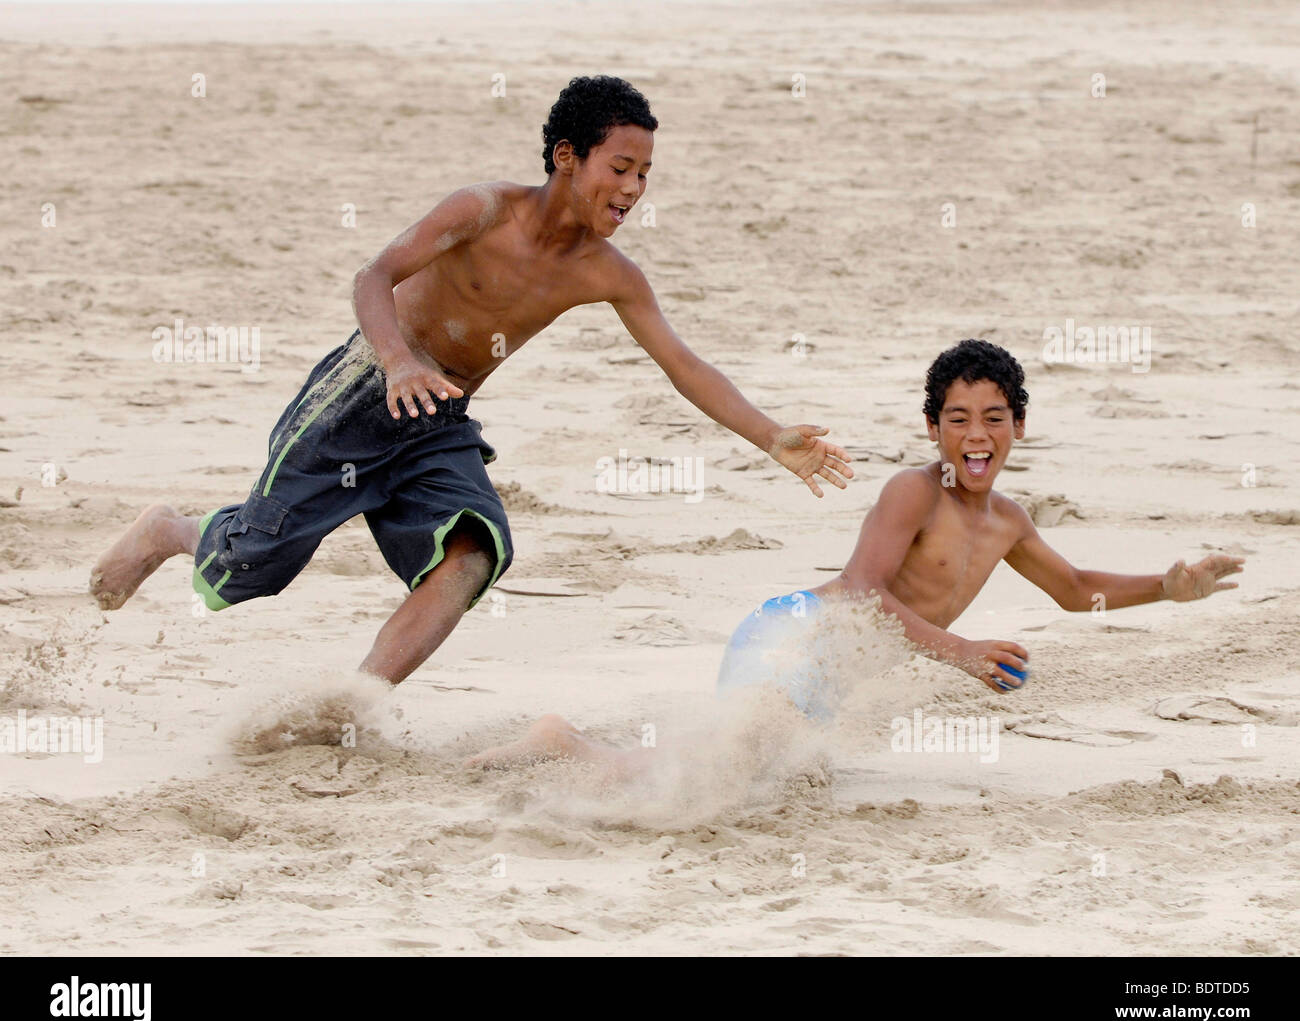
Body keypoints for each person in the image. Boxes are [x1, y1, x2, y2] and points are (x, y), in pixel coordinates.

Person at [88, 75, 853, 685]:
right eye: (620, 168)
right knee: (248, 567)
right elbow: (374, 275)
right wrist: (397, 359)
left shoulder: (607, 273)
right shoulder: (483, 211)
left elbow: (684, 364)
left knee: (475, 552)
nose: (633, 189)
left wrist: (771, 437)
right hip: (360, 391)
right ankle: (170, 531)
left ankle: (357, 700)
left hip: (438, 420)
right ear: (566, 158)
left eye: (645, 175)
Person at [468, 339, 1244, 769]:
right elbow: (867, 594)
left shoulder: (1009, 520)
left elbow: (1076, 589)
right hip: (792, 634)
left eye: (996, 418)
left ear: (1020, 426)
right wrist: (963, 652)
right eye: (960, 419)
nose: (978, 435)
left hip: (826, 677)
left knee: (735, 774)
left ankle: (569, 748)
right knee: (718, 776)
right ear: (935, 429)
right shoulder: (915, 491)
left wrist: (1169, 588)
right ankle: (561, 742)